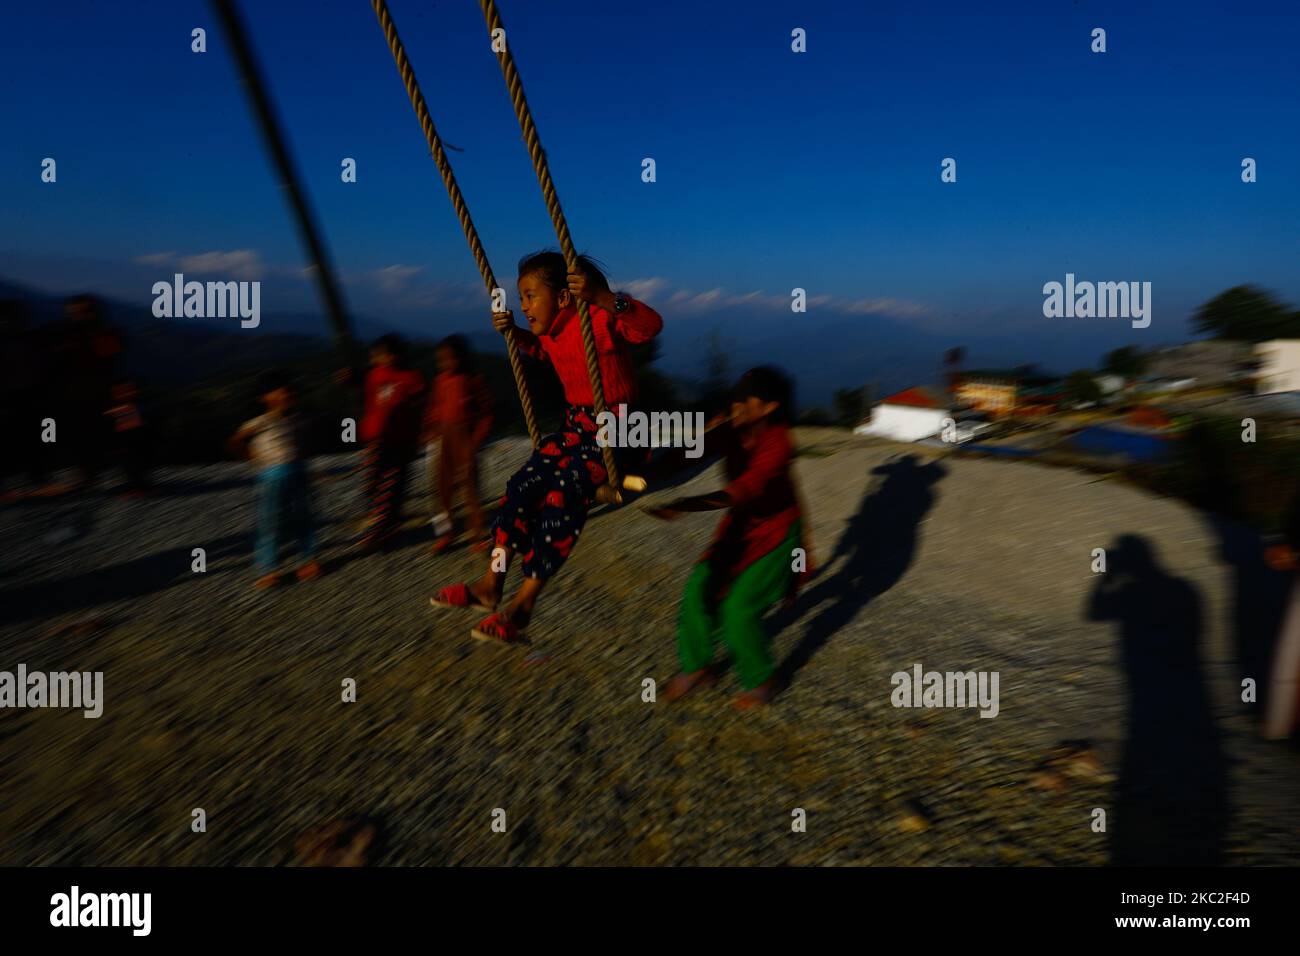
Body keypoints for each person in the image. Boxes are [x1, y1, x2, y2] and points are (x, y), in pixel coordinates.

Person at [430, 251, 662, 642]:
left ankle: (524, 605)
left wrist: (605, 298)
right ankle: (491, 583)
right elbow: (543, 351)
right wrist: (515, 334)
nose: (523, 306)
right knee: (521, 486)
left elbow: (649, 327)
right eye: (520, 298)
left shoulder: (597, 322)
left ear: (565, 297)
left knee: (564, 492)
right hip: (575, 427)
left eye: (530, 296)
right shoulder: (551, 332)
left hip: (619, 432)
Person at [647, 367, 805, 710]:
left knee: (739, 608)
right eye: (735, 399)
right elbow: (690, 452)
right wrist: (644, 468)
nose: (735, 407)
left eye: (744, 401)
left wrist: (687, 505)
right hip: (739, 526)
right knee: (698, 588)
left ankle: (763, 679)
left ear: (768, 407)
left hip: (775, 534)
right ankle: (698, 667)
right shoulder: (732, 427)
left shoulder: (778, 442)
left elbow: (743, 490)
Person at [228, 370, 321, 589]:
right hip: (270, 475)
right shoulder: (259, 422)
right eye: (279, 391)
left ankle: (308, 560)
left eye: (288, 390)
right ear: (264, 397)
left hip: (298, 470)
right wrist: (253, 457)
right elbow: (234, 442)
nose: (286, 394)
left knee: (304, 517)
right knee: (269, 522)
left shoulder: (298, 420)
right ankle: (268, 569)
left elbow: (303, 446)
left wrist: (309, 467)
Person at [424, 334, 494, 554]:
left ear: (462, 357)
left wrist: (476, 442)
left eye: (449, 359)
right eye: (441, 360)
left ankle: (477, 534)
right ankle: (445, 533)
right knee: (441, 489)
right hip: (443, 438)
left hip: (465, 439)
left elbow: (486, 414)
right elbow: (434, 408)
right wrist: (429, 431)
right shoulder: (440, 381)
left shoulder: (474, 380)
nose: (445, 364)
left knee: (470, 489)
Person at [358, 334, 425, 551]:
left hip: (399, 441)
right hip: (376, 439)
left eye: (382, 354)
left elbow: (418, 410)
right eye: (376, 354)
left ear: (396, 355)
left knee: (391, 484)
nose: (378, 358)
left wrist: (418, 436)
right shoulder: (373, 375)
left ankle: (377, 531)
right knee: (373, 483)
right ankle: (387, 521)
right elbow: (370, 404)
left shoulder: (412, 379)